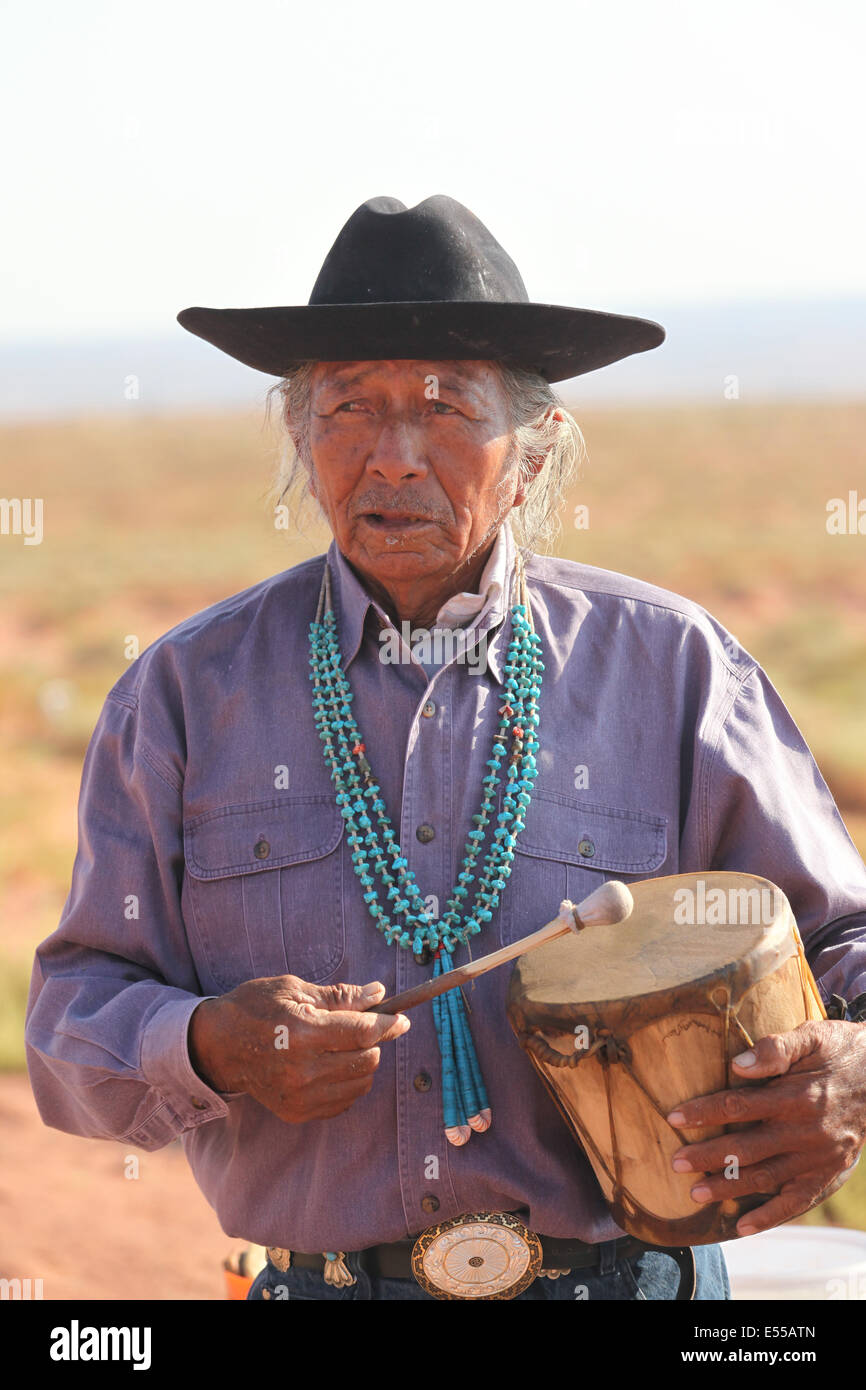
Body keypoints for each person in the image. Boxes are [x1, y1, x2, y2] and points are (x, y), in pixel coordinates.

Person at [25, 195, 866, 1301]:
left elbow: (840, 938)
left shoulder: (671, 671)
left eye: (445, 409)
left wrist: (854, 1071)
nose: (393, 459)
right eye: (349, 409)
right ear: (296, 433)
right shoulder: (185, 694)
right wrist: (209, 1043)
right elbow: (69, 1023)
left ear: (531, 451)